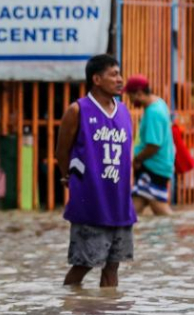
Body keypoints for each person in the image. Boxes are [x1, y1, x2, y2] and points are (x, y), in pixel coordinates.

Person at [55, 54, 137, 288]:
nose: (120, 79)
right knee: (83, 264)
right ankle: (70, 308)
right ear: (97, 79)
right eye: (114, 74)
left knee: (113, 266)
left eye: (120, 74)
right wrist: (67, 177)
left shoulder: (124, 112)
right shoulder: (77, 110)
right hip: (90, 203)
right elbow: (62, 151)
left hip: (120, 204)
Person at [124, 74, 176, 216]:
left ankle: (175, 233)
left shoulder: (154, 112)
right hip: (155, 165)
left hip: (154, 166)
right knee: (136, 205)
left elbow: (154, 145)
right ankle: (123, 234)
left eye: (130, 96)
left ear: (140, 93)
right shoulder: (158, 103)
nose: (130, 100)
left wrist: (138, 159)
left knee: (158, 207)